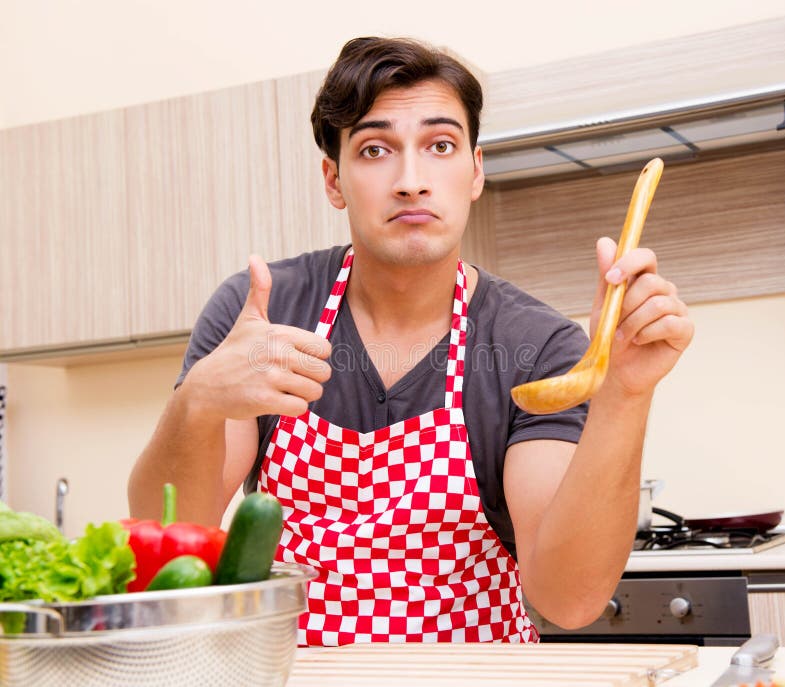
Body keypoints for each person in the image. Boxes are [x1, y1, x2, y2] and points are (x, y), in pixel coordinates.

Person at [128, 36, 693, 645]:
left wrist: (625, 396)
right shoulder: (263, 311)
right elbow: (168, 544)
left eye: (440, 146)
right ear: (334, 179)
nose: (410, 181)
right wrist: (199, 402)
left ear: (475, 170)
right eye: (375, 149)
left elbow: (568, 598)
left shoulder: (536, 344)